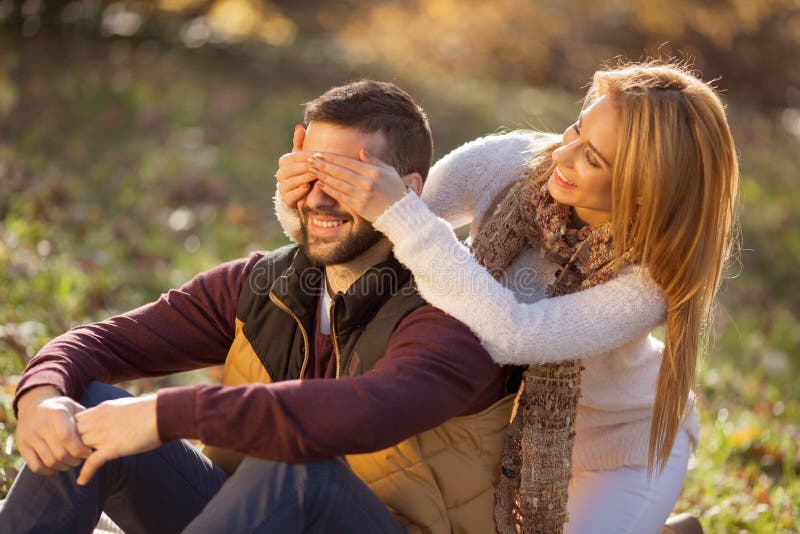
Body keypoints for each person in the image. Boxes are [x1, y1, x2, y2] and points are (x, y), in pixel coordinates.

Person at [0, 80, 521, 534]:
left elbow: (367, 412)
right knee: (87, 403)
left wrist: (163, 414)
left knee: (297, 468)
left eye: (346, 178)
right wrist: (40, 396)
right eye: (310, 172)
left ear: (406, 193)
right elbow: (102, 343)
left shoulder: (453, 311)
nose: (319, 198)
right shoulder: (265, 284)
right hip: (255, 519)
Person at [275, 61, 738, 533]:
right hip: (499, 430)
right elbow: (377, 234)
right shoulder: (508, 162)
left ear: (644, 191)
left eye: (592, 158)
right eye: (577, 127)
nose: (562, 154)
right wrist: (301, 200)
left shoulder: (651, 278)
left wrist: (400, 212)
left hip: (621, 450)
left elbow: (515, 334)